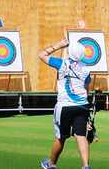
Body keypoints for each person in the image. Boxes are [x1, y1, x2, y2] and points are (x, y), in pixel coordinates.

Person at [38, 37, 93, 169]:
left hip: (64, 106)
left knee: (61, 137)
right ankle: (86, 166)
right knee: (81, 136)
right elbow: (86, 89)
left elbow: (42, 55)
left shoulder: (61, 63)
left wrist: (59, 45)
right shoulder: (86, 68)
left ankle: (51, 164)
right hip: (82, 105)